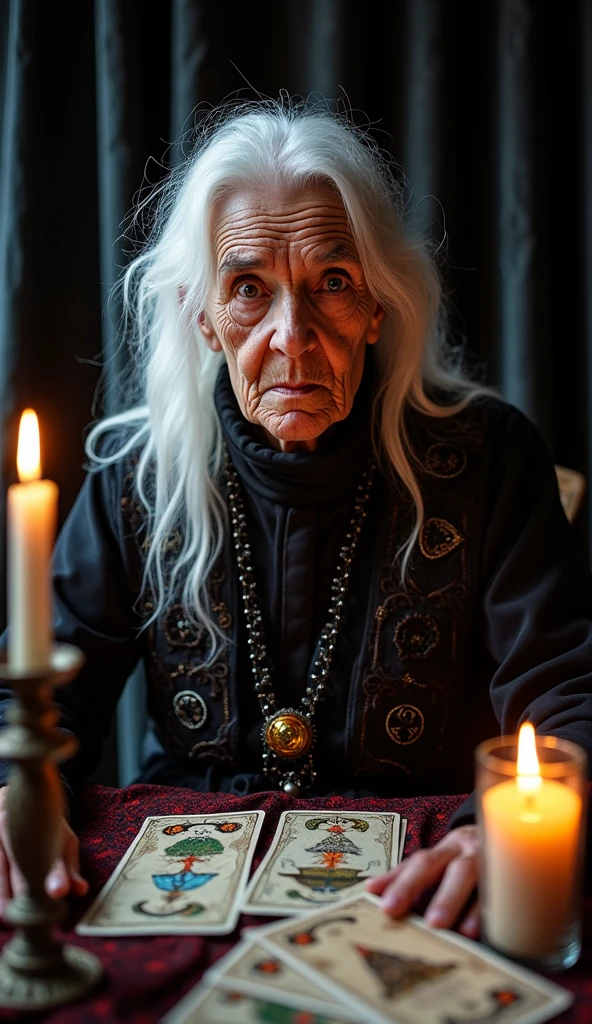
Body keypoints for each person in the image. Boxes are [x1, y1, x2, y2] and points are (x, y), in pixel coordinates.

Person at [1, 100, 591, 937]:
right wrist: (6, 794)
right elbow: (38, 702)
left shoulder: (490, 461)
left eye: (333, 285)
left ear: (378, 307)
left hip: (418, 891)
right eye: (248, 289)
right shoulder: (139, 477)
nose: (293, 337)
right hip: (182, 893)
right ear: (201, 314)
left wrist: (502, 834)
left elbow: (571, 691)